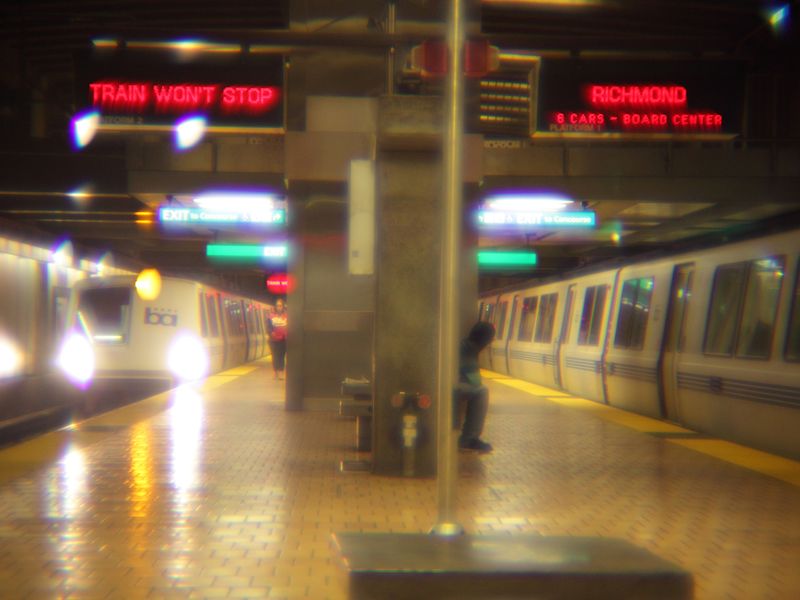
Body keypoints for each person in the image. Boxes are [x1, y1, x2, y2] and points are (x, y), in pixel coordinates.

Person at [455, 321, 495, 453]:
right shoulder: (469, 350)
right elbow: (475, 381)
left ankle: (469, 437)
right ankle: (469, 439)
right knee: (481, 392)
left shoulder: (464, 345)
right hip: (447, 389)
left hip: (443, 385)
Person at [267, 298, 288, 380]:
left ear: (283, 307)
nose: (279, 307)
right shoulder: (271, 316)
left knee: (281, 356)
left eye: (280, 306)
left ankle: (280, 372)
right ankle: (275, 371)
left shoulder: (286, 316)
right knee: (275, 356)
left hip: (283, 340)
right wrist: (271, 332)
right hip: (273, 340)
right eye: (277, 306)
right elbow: (268, 326)